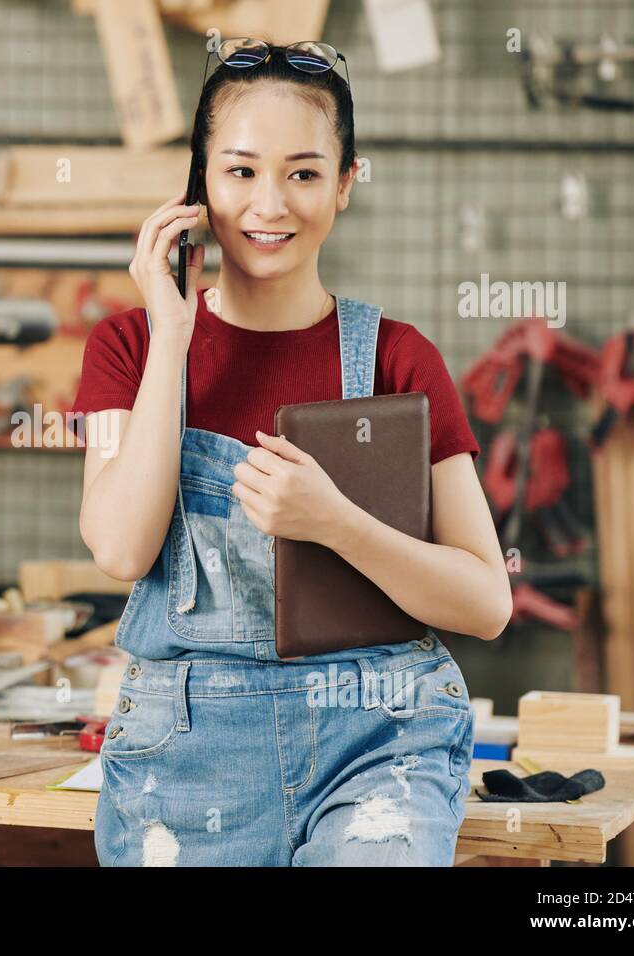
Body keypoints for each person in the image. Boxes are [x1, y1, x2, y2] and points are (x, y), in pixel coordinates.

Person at [68, 40, 513, 866]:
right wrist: (173, 336)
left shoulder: (399, 359)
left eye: (304, 173)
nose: (269, 203)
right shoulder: (126, 349)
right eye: (239, 171)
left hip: (380, 745)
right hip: (187, 755)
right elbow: (120, 547)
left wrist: (336, 523)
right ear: (197, 182)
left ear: (346, 184)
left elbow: (486, 601)